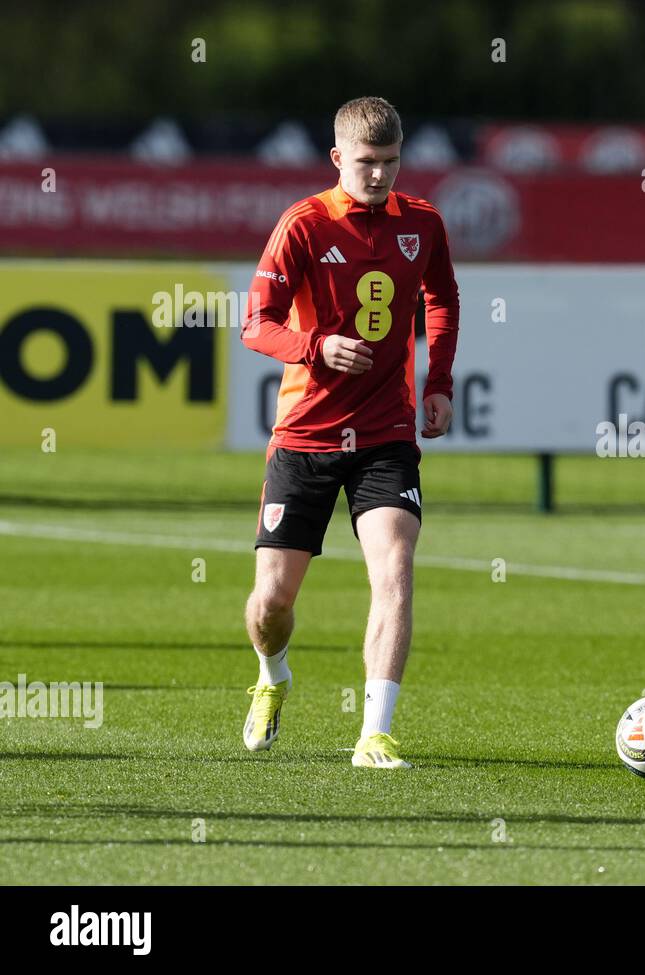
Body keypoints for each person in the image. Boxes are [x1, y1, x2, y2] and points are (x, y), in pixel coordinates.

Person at [238, 96, 460, 769]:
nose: (379, 176)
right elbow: (255, 323)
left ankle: (376, 732)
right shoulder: (303, 224)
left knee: (395, 569)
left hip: (386, 435)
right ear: (338, 158)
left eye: (390, 162)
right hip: (305, 436)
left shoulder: (422, 221)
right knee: (273, 601)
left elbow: (443, 296)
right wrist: (315, 346)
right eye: (366, 162)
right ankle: (273, 675)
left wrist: (439, 381)